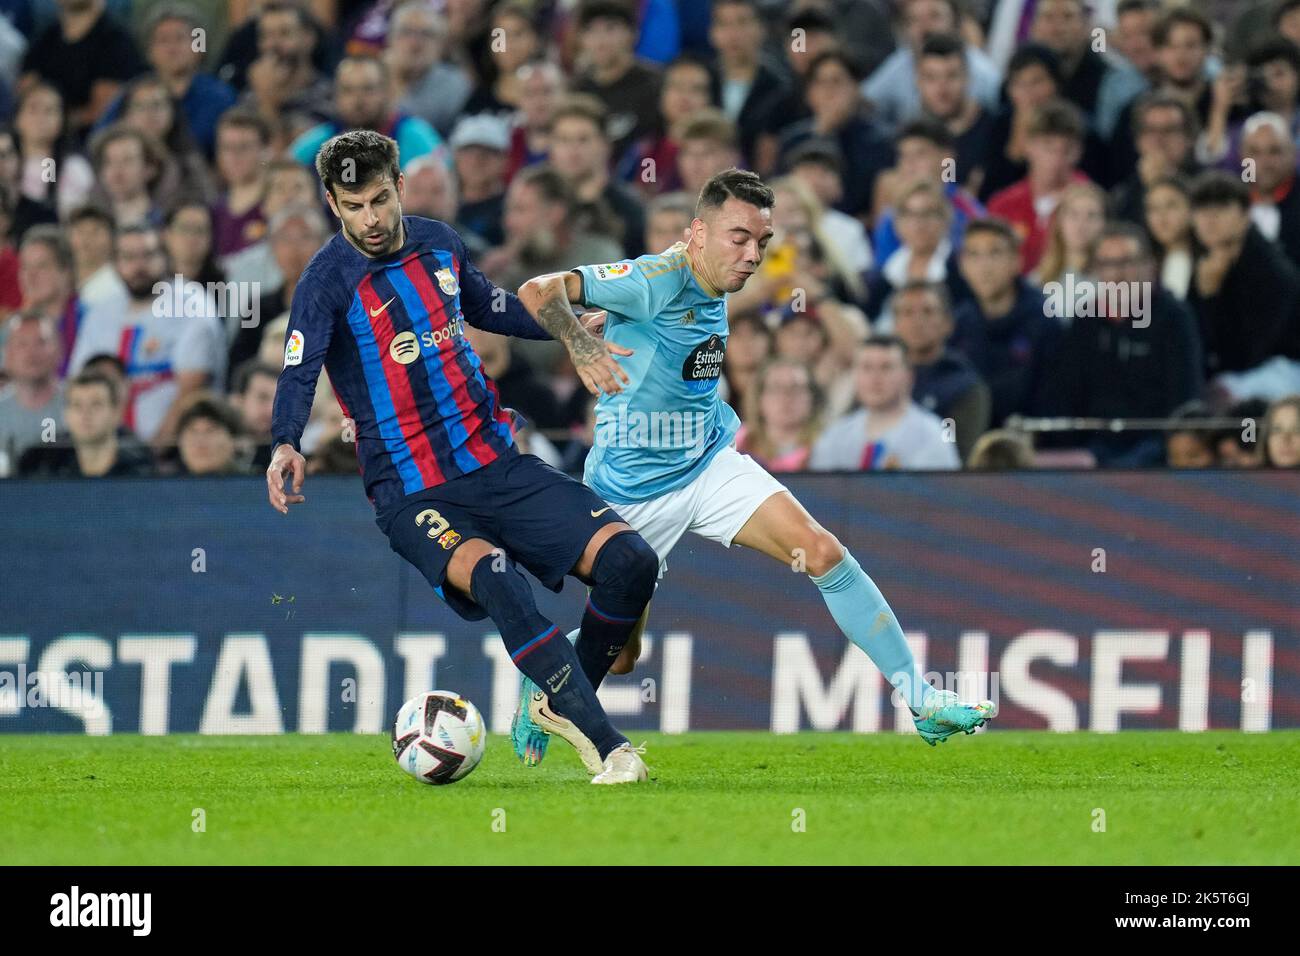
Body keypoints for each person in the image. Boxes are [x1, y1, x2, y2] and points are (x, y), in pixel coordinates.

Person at [510, 167, 996, 768]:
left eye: (762, 243)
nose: (751, 255)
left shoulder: (715, 285)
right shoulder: (652, 278)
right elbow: (537, 290)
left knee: (821, 552)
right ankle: (549, 679)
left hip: (708, 464)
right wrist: (581, 345)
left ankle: (919, 698)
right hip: (627, 494)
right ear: (697, 233)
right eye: (737, 237)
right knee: (625, 657)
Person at [265, 129, 656, 785]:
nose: (372, 218)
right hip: (416, 494)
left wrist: (564, 325)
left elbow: (490, 305)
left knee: (630, 562)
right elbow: (299, 370)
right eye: (355, 206)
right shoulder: (325, 282)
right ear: (334, 204)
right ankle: (609, 746)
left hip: (498, 463)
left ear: (398, 187)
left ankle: (559, 699)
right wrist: (285, 439)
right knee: (499, 578)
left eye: (381, 200)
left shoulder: (439, 243)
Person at [810, 335, 962, 472]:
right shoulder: (835, 435)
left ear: (908, 376)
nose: (875, 378)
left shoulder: (932, 434)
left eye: (886, 367)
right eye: (866, 368)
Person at [16, 369, 152, 477]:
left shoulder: (140, 467)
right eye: (77, 405)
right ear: (66, 414)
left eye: (96, 404)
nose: (85, 414)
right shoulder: (42, 462)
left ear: (116, 413)